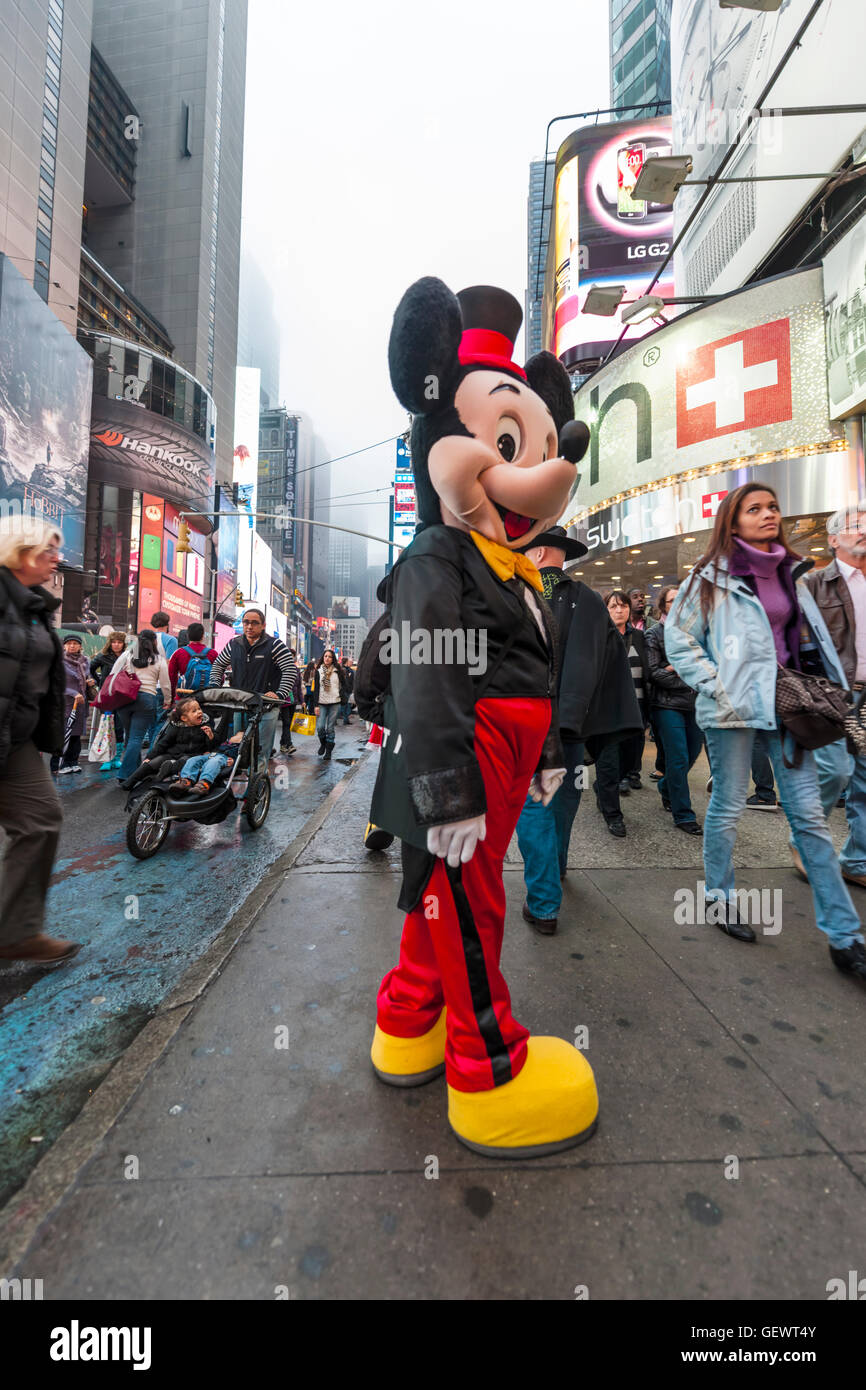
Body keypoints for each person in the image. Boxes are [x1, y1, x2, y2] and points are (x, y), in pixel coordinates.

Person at [665, 482, 866, 982]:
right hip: (732, 710)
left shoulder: (793, 574)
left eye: (773, 506)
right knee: (729, 806)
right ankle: (718, 897)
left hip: (789, 711)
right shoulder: (708, 577)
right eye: (754, 508)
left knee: (811, 822)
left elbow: (807, 642)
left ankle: (845, 936)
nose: (768, 514)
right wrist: (716, 685)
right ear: (732, 523)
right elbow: (679, 636)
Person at [515, 526, 641, 932]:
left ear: (537, 554)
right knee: (564, 797)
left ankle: (544, 903)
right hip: (570, 724)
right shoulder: (587, 600)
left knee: (534, 804)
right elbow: (604, 664)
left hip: (526, 719)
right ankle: (559, 864)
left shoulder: (515, 593)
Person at [0, 518, 80, 965]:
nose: (56, 559)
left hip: (16, 738)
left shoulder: (34, 605)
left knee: (42, 819)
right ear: (21, 551)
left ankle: (15, 932)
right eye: (50, 550)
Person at [797, 500, 866, 886]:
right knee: (834, 772)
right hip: (833, 697)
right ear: (833, 539)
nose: (863, 530)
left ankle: (857, 860)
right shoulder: (813, 583)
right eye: (856, 525)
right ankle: (804, 841)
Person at [645, 585, 702, 835]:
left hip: (694, 703)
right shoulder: (654, 634)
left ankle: (666, 786)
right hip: (666, 704)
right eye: (672, 601)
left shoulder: (696, 632)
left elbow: (704, 666)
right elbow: (655, 672)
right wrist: (686, 677)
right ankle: (683, 814)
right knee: (677, 758)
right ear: (663, 606)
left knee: (691, 753)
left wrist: (678, 669)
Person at [209, 606, 297, 768]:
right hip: (240, 704)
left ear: (263, 625)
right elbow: (218, 666)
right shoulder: (234, 644)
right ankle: (238, 787)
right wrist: (215, 685)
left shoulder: (274, 645)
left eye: (254, 623)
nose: (249, 626)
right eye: (246, 622)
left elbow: (290, 670)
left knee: (260, 752)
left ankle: (256, 788)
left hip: (266, 706)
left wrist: (279, 693)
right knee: (238, 748)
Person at [593, 590, 650, 836]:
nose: (620, 610)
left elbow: (649, 672)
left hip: (635, 713)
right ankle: (613, 815)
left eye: (623, 606)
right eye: (614, 606)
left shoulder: (640, 637)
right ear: (605, 610)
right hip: (607, 715)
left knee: (629, 763)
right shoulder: (597, 637)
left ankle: (602, 787)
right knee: (608, 765)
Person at [121, 696, 225, 789]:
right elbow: (163, 743)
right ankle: (129, 782)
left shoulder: (205, 726)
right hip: (172, 754)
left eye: (199, 709)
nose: (199, 712)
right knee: (154, 762)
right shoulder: (176, 727)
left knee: (185, 761)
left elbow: (212, 746)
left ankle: (164, 773)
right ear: (184, 718)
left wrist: (210, 736)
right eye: (194, 711)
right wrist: (149, 757)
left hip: (192, 756)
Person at [111, 628, 171, 783]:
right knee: (136, 738)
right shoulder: (158, 660)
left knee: (130, 736)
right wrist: (167, 700)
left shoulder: (127, 655)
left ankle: (134, 769)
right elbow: (165, 684)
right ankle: (125, 774)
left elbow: (113, 673)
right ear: (154, 642)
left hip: (124, 699)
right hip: (146, 699)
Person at [50, 634, 96, 774]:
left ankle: (73, 762)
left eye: (75, 643)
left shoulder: (85, 661)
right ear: (64, 645)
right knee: (64, 734)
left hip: (80, 705)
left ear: (80, 646)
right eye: (69, 643)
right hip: (65, 703)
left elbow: (87, 677)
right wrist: (73, 693)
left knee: (76, 736)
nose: (72, 646)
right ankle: (58, 765)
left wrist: (91, 681)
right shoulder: (58, 661)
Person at [90, 631, 127, 771]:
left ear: (123, 644)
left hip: (122, 696)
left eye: (119, 642)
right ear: (110, 643)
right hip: (106, 696)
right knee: (106, 726)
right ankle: (106, 758)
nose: (116, 645)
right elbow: (91, 668)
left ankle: (116, 758)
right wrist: (100, 682)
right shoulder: (103, 656)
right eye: (114, 642)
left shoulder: (127, 657)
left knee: (119, 727)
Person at [171, 729, 245, 796]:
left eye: (240, 736)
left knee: (214, 762)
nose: (237, 737)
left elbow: (243, 758)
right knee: (193, 760)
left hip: (224, 757)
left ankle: (204, 783)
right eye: (236, 735)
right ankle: (186, 780)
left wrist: (234, 761)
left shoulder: (239, 748)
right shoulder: (225, 743)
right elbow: (214, 746)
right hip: (211, 754)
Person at [313, 649, 347, 760]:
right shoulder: (318, 671)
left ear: (333, 659)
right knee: (320, 727)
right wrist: (315, 705)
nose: (327, 658)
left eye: (330, 656)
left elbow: (345, 685)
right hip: (322, 702)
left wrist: (342, 695)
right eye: (325, 656)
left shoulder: (338, 671)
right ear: (323, 657)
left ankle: (328, 751)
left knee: (330, 728)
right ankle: (323, 743)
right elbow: (316, 689)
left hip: (335, 702)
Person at [168, 621, 217, 698]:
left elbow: (172, 676)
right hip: (207, 697)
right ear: (203, 636)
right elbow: (219, 676)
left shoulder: (178, 653)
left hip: (184, 696)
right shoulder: (213, 653)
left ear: (188, 636)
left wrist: (172, 696)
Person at [279, 648, 301, 754]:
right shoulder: (280, 668)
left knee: (289, 723)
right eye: (289, 654)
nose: (291, 656)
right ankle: (289, 744)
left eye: (293, 655)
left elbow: (299, 686)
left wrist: (302, 700)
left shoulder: (296, 670)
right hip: (284, 700)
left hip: (294, 700)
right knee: (286, 722)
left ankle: (283, 744)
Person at [339, 658, 355, 724]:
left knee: (345, 705)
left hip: (347, 689)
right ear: (347, 662)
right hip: (344, 690)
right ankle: (342, 719)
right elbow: (346, 681)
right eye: (350, 662)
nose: (351, 663)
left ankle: (346, 720)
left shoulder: (349, 670)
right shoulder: (344, 669)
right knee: (344, 706)